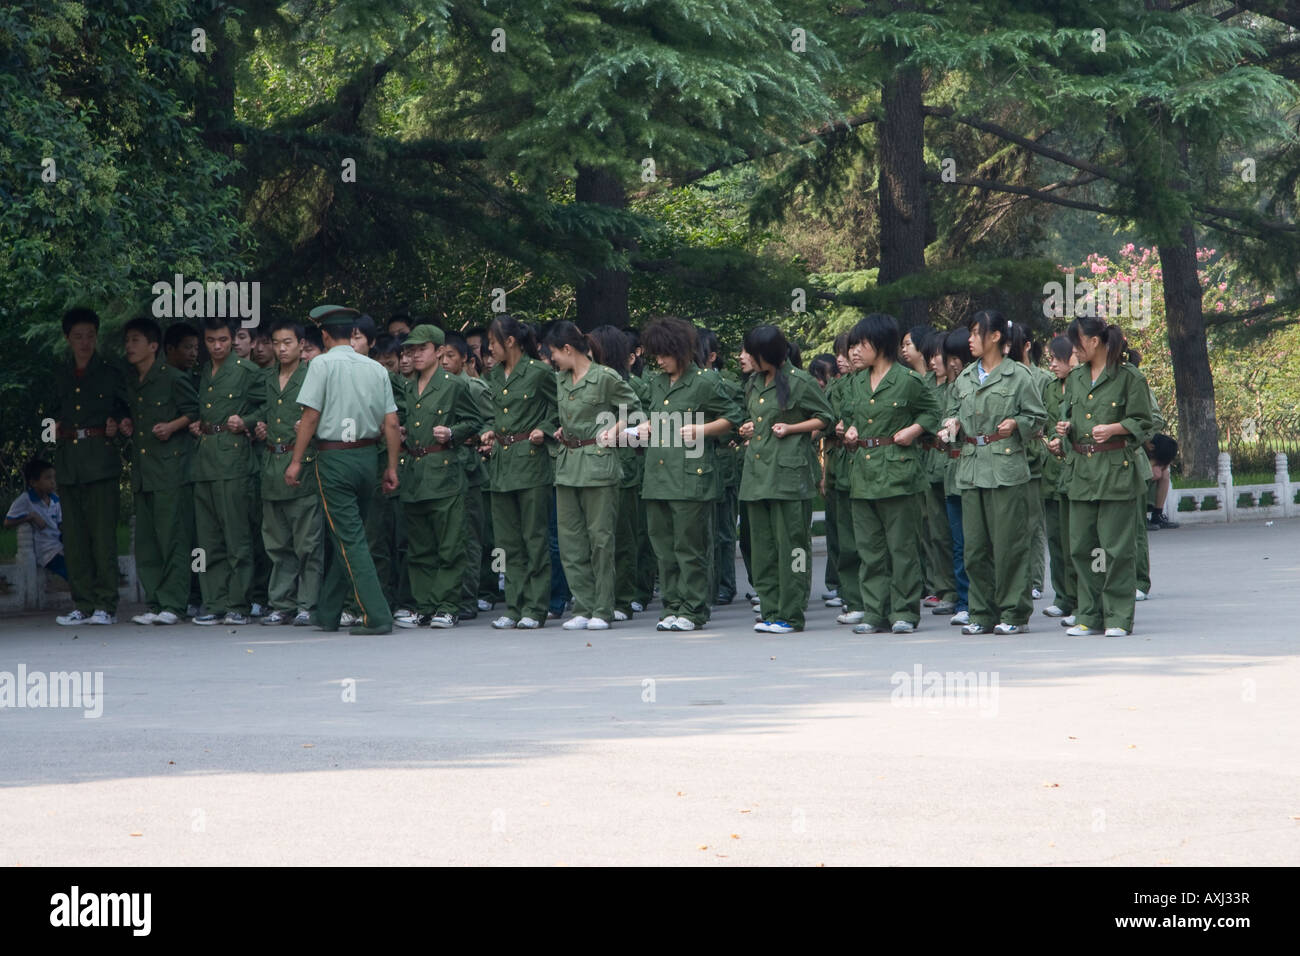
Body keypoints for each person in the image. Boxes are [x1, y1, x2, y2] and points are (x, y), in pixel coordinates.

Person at [287, 305, 401, 635]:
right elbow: (391, 422)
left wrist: (295, 461)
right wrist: (391, 466)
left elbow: (310, 416)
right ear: (353, 334)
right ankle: (329, 611)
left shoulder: (320, 364)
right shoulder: (374, 368)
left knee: (350, 538)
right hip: (367, 458)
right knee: (350, 535)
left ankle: (377, 616)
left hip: (335, 458)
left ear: (323, 335)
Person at [939, 311, 1046, 636]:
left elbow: (1037, 416)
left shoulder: (1018, 376)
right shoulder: (967, 376)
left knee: (1009, 544)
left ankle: (1014, 613)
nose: (970, 340)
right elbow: (951, 410)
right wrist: (952, 423)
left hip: (1006, 467)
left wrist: (1017, 423)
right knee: (975, 547)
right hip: (971, 467)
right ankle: (981, 612)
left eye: (975, 333)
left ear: (995, 336)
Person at [841, 314, 940, 634]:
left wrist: (913, 430)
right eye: (853, 344)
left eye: (861, 344)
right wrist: (851, 430)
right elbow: (848, 417)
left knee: (902, 548)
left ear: (880, 345)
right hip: (863, 473)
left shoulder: (907, 380)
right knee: (869, 550)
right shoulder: (855, 382)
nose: (854, 351)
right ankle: (874, 611)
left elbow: (933, 412)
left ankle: (904, 612)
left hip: (898, 473)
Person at [636, 318, 738, 631]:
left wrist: (703, 429)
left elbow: (733, 416)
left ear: (680, 351)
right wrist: (640, 426)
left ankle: (693, 609)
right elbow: (640, 413)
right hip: (657, 477)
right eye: (656, 354)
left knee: (690, 548)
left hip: (691, 479)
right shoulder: (654, 382)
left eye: (665, 353)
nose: (659, 360)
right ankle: (672, 606)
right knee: (664, 550)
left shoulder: (704, 382)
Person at [1056, 319, 1154, 637]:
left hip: (1115, 471)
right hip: (1082, 471)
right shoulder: (1076, 379)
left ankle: (1118, 617)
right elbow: (1071, 416)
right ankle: (1089, 614)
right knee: (1083, 548)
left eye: (1078, 341)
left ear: (1095, 341)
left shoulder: (1129, 377)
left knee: (1116, 549)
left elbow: (1144, 423)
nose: (1073, 349)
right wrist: (1064, 431)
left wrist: (1115, 428)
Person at [738, 325, 833, 634]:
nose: (748, 358)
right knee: (762, 548)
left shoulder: (800, 382)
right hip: (757, 475)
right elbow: (758, 419)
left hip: (789, 477)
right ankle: (769, 611)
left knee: (792, 547)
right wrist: (749, 428)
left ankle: (790, 615)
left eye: (754, 353)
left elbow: (826, 418)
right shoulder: (753, 383)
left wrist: (792, 428)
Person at [545, 321, 640, 629]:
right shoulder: (561, 380)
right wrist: (564, 430)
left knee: (601, 540)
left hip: (599, 465)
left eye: (554, 353)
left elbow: (633, 410)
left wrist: (613, 431)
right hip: (568, 464)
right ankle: (582, 607)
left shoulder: (605, 377)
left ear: (568, 349)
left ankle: (602, 608)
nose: (552, 360)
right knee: (572, 541)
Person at [391, 325, 482, 628]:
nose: (414, 354)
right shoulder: (406, 385)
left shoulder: (454, 385)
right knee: (419, 545)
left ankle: (447, 605)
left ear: (439, 351)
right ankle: (424, 604)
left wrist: (453, 432)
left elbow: (474, 421)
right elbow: (403, 417)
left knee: (450, 544)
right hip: (415, 471)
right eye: (411, 350)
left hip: (443, 470)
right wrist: (402, 429)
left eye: (422, 348)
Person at [49, 307, 129, 626]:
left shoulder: (110, 372)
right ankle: (81, 603)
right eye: (78, 336)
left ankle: (105, 604)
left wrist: (118, 423)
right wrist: (50, 428)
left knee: (102, 536)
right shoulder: (58, 373)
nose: (85, 342)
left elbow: (126, 412)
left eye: (91, 336)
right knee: (75, 538)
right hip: (69, 461)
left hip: (101, 460)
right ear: (68, 338)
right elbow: (45, 415)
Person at [479, 316, 558, 629]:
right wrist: (487, 431)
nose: (490, 348)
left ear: (510, 341)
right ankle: (514, 606)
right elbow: (489, 414)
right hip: (500, 464)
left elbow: (559, 407)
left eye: (493, 342)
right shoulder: (493, 375)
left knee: (534, 537)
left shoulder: (538, 372)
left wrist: (545, 429)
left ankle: (535, 608)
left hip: (531, 462)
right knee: (507, 542)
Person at [120, 317, 197, 625]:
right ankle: (154, 602)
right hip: (144, 471)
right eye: (127, 340)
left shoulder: (173, 377)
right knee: (147, 543)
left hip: (171, 470)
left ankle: (175, 604)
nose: (129, 346)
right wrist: (125, 423)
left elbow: (195, 410)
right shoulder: (133, 380)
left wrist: (172, 426)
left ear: (153, 346)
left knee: (173, 539)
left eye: (136, 340)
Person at [188, 317, 265, 625]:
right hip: (204, 458)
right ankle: (214, 601)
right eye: (210, 341)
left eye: (222, 340)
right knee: (208, 539)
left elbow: (268, 406)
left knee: (237, 536)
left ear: (232, 339)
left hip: (233, 459)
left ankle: (239, 603)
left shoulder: (248, 371)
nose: (216, 346)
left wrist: (245, 421)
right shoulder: (205, 371)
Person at [252, 318, 322, 626]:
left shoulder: (313, 376)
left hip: (303, 464)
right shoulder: (267, 378)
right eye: (276, 343)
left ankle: (308, 602)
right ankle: (281, 602)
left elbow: (327, 414)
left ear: (302, 345)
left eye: (288, 343)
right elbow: (261, 410)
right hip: (271, 465)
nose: (281, 349)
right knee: (277, 542)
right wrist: (256, 424)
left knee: (307, 542)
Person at [587, 325, 641, 622]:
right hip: (592, 467)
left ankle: (623, 597)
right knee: (596, 537)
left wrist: (621, 434)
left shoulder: (632, 386)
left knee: (623, 537)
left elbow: (646, 425)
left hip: (625, 468)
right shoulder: (585, 382)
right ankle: (598, 596)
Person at [441, 330, 495, 620]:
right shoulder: (432, 387)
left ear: (465, 358)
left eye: (451, 355)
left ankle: (468, 597)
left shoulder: (473, 387)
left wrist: (477, 437)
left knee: (470, 537)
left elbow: (492, 420)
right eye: (440, 356)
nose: (444, 361)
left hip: (469, 469)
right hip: (441, 470)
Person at [1007, 322, 1054, 605]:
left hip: (1034, 457)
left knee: (1033, 523)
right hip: (1007, 458)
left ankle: (1035, 579)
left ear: (1026, 346)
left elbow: (1047, 417)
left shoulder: (1043, 379)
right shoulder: (1004, 376)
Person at [918, 329, 957, 616]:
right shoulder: (924, 384)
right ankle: (943, 588)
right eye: (930, 356)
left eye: (938, 355)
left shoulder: (958, 385)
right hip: (931, 464)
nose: (934, 361)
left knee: (959, 533)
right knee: (937, 534)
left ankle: (960, 591)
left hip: (955, 463)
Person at [938, 328, 974, 626]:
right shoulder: (952, 386)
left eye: (955, 357)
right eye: (948, 358)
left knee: (978, 541)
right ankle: (964, 599)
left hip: (976, 470)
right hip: (953, 473)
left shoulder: (974, 382)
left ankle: (979, 600)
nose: (951, 363)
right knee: (959, 542)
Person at [826, 334, 863, 624]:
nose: (843, 357)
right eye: (840, 352)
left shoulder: (873, 383)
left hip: (870, 463)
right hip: (842, 466)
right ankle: (853, 599)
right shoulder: (837, 387)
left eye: (849, 350)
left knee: (870, 541)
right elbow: (822, 419)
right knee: (846, 541)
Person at [1042, 335, 1078, 622]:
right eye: (1049, 359)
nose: (1052, 365)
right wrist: (1050, 441)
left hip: (1078, 470)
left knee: (1077, 540)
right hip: (1053, 472)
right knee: (1055, 539)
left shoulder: (1081, 384)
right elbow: (1043, 424)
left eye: (1057, 358)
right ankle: (1063, 596)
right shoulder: (1050, 388)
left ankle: (1082, 597)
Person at [807, 352, 841, 606]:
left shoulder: (838, 393)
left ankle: (843, 585)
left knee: (846, 531)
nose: (819, 382)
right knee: (834, 528)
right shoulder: (815, 394)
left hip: (843, 463)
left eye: (823, 376)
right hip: (829, 465)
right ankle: (835, 582)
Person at [5, 458, 67, 581]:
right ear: (33, 482)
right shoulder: (26, 500)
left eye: (53, 478)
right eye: (48, 478)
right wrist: (30, 516)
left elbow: (61, 525)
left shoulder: (55, 500)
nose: (53, 482)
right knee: (72, 572)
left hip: (59, 546)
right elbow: (7, 522)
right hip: (46, 552)